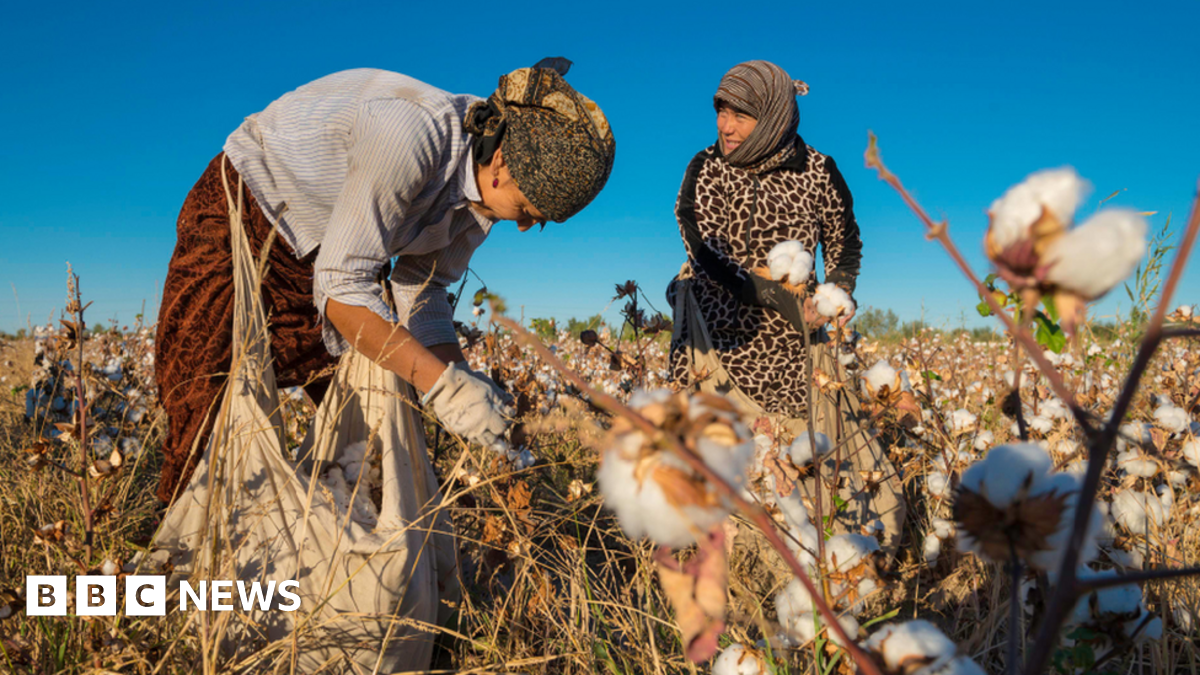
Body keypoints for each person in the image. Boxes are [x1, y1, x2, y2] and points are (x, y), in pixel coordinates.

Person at [155, 61, 615, 505]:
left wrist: (464, 382)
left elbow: (423, 289)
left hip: (334, 254)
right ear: (501, 164)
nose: (524, 227)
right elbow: (341, 288)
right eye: (531, 211)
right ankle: (182, 565)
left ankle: (328, 557)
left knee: (365, 431)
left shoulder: (479, 208)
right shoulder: (411, 134)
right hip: (246, 215)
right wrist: (441, 386)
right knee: (203, 403)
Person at [667, 60, 904, 562]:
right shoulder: (706, 169)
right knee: (736, 482)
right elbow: (704, 252)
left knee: (834, 476)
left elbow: (846, 244)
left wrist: (836, 294)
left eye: (741, 115)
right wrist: (776, 297)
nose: (726, 126)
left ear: (773, 116)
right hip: (724, 346)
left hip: (801, 353)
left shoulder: (818, 171)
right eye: (721, 112)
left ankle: (846, 571)